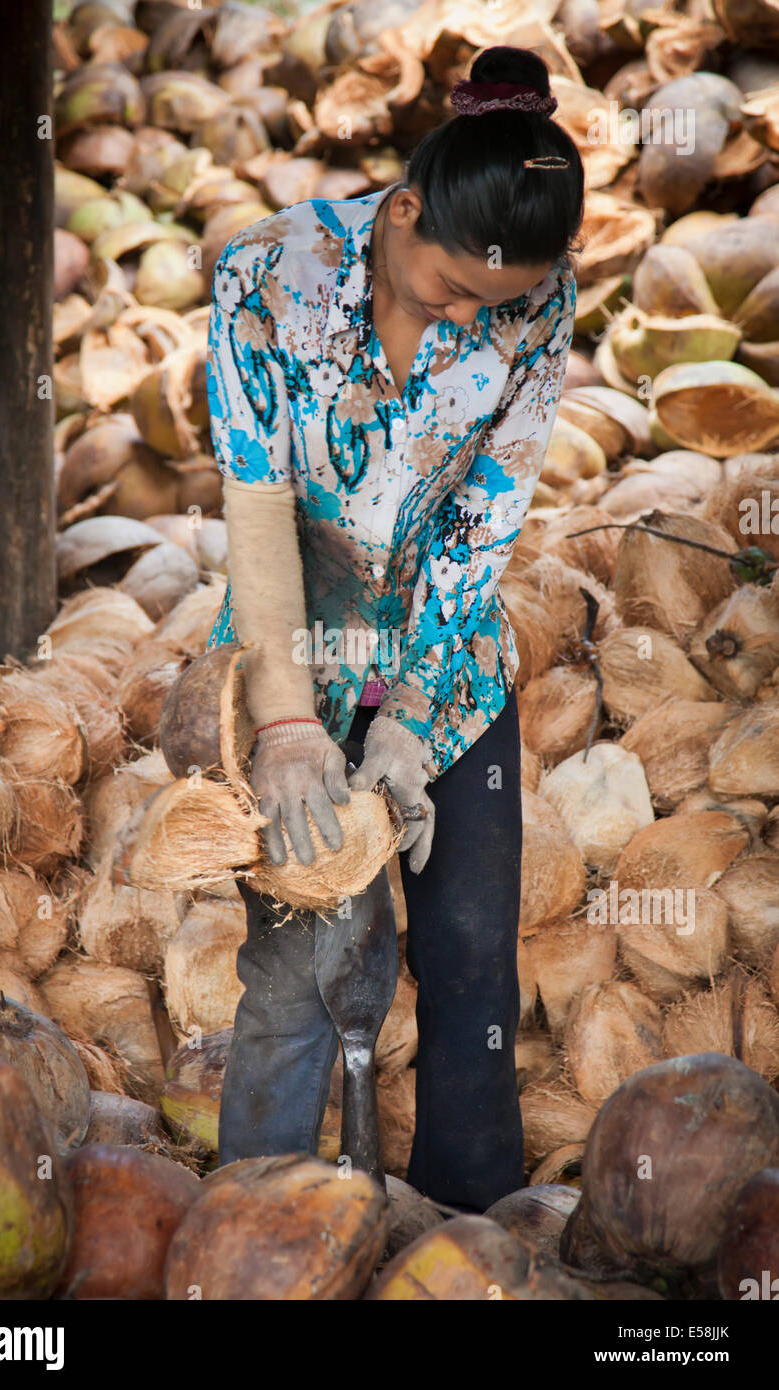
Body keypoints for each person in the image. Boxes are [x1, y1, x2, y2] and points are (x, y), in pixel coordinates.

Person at [201, 44, 585, 1212]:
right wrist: (279, 721)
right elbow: (258, 509)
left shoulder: (535, 301)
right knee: (296, 958)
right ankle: (253, 1213)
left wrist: (412, 722)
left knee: (468, 948)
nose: (470, 315)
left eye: (495, 302)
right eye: (450, 289)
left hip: (444, 648)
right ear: (405, 211)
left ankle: (469, 1230)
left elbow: (484, 525)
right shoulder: (264, 275)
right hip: (297, 639)